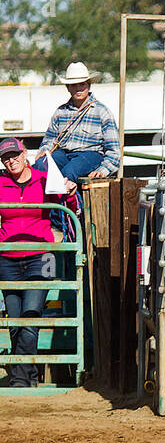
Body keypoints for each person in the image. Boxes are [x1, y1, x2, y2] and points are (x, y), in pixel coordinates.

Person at [0, 137, 80, 388]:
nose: (11, 160)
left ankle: (20, 380)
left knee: (31, 315)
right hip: (7, 257)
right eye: (5, 158)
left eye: (14, 155)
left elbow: (69, 205)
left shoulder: (44, 178)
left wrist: (70, 191)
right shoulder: (0, 184)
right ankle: (29, 377)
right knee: (15, 320)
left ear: (25, 155)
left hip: (42, 256)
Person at [36, 62, 120, 182]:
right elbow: (49, 139)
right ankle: (41, 199)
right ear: (68, 88)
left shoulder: (102, 111)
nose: (78, 88)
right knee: (40, 166)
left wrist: (103, 169)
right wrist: (44, 151)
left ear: (89, 86)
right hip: (63, 154)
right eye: (74, 85)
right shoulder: (61, 112)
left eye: (82, 84)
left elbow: (114, 151)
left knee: (69, 172)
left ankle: (70, 200)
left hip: (91, 155)